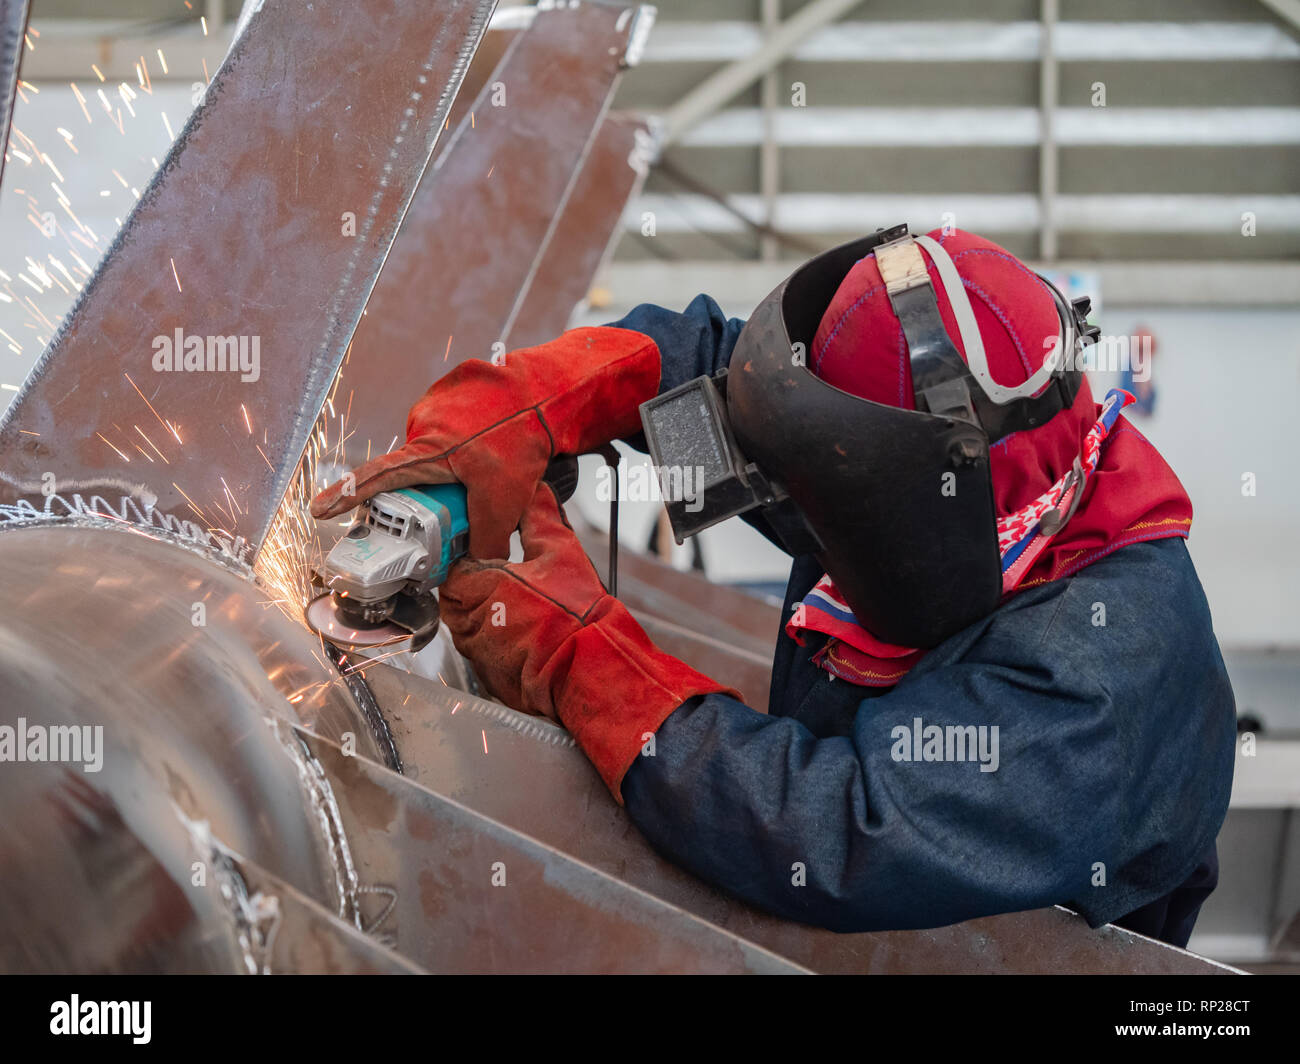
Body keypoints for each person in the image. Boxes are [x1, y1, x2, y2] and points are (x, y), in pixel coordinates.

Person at [311, 226, 1235, 947]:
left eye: (824, 478)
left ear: (920, 494)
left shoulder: (1096, 675)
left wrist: (577, 653)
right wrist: (546, 396)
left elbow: (837, 829)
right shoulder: (932, 475)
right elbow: (713, 384)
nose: (788, 493)